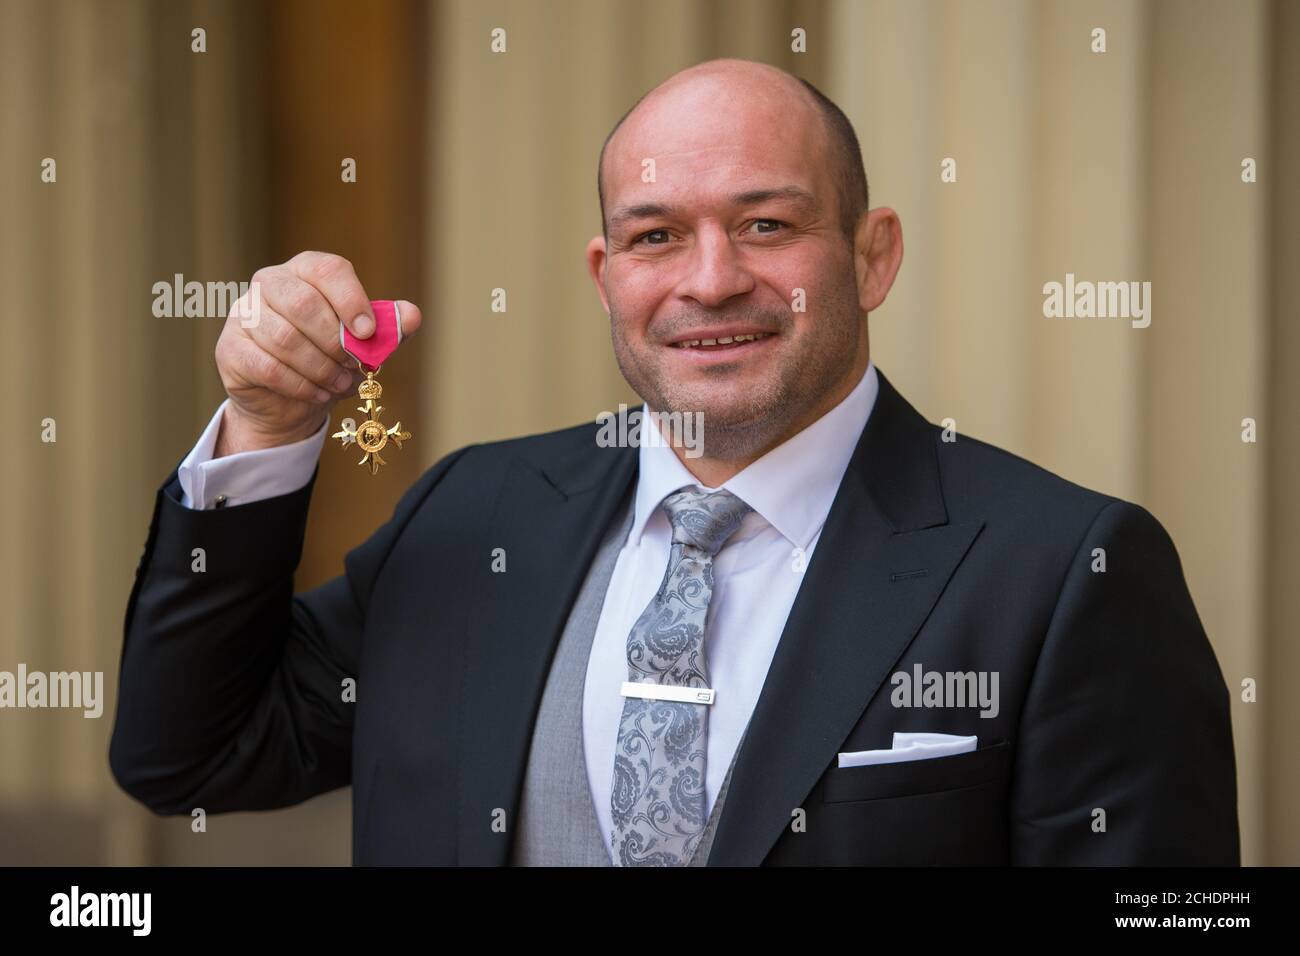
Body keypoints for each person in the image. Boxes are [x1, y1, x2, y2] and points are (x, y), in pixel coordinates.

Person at [110, 58, 1239, 866]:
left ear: (871, 254)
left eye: (764, 225)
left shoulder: (1067, 569)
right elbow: (193, 753)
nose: (708, 281)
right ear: (606, 275)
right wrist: (262, 422)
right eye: (655, 235)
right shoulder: (475, 513)